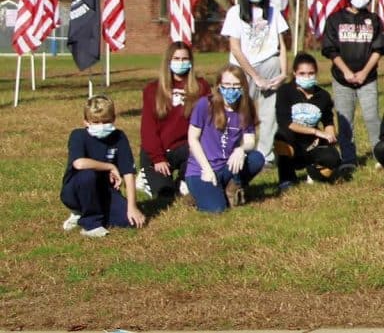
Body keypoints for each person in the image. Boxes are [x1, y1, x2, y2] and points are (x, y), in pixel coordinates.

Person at [322, 0, 384, 168]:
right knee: (345, 119)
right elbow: (330, 49)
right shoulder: (335, 19)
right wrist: (345, 72)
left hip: (367, 78)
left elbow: (379, 49)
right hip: (341, 78)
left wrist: (363, 72)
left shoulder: (374, 20)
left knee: (371, 117)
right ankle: (348, 159)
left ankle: (381, 155)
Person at [221, 0, 289, 155]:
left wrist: (284, 72)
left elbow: (282, 45)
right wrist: (255, 76)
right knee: (240, 108)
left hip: (269, 64)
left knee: (270, 112)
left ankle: (265, 153)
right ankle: (237, 148)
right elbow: (235, 47)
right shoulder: (235, 13)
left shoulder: (273, 11)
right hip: (242, 68)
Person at [62, 95, 146, 236]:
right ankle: (90, 224)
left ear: (113, 119)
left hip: (105, 190)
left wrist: (132, 207)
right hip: (76, 189)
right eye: (96, 122)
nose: (101, 126)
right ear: (86, 122)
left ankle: (93, 212)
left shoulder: (119, 137)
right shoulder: (78, 135)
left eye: (105, 122)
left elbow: (128, 173)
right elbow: (79, 163)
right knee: (87, 175)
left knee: (128, 221)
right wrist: (110, 167)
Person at [185, 67, 264, 212]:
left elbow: (250, 140)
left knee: (256, 158)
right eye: (227, 85)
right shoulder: (205, 104)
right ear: (219, 86)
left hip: (227, 166)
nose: (231, 89)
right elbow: (193, 138)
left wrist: (241, 149)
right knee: (218, 209)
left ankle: (230, 187)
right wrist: (206, 169)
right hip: (201, 169)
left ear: (243, 87)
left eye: (236, 85)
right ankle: (198, 193)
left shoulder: (246, 107)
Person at [139, 40, 207, 201]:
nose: (181, 63)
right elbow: (148, 130)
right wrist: (158, 158)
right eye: (176, 59)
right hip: (158, 152)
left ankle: (183, 179)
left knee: (187, 190)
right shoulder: (152, 89)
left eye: (184, 59)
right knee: (165, 196)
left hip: (187, 149)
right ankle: (145, 177)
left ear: (190, 62)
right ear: (168, 62)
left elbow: (205, 123)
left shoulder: (201, 87)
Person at [273, 52, 341, 188]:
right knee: (281, 136)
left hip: (312, 144)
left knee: (334, 158)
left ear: (316, 73)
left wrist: (330, 135)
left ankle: (314, 173)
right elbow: (286, 123)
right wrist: (316, 132)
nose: (307, 77)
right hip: (291, 141)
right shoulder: (285, 91)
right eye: (302, 73)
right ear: (294, 73)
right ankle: (287, 178)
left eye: (311, 73)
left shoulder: (323, 96)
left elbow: (328, 121)